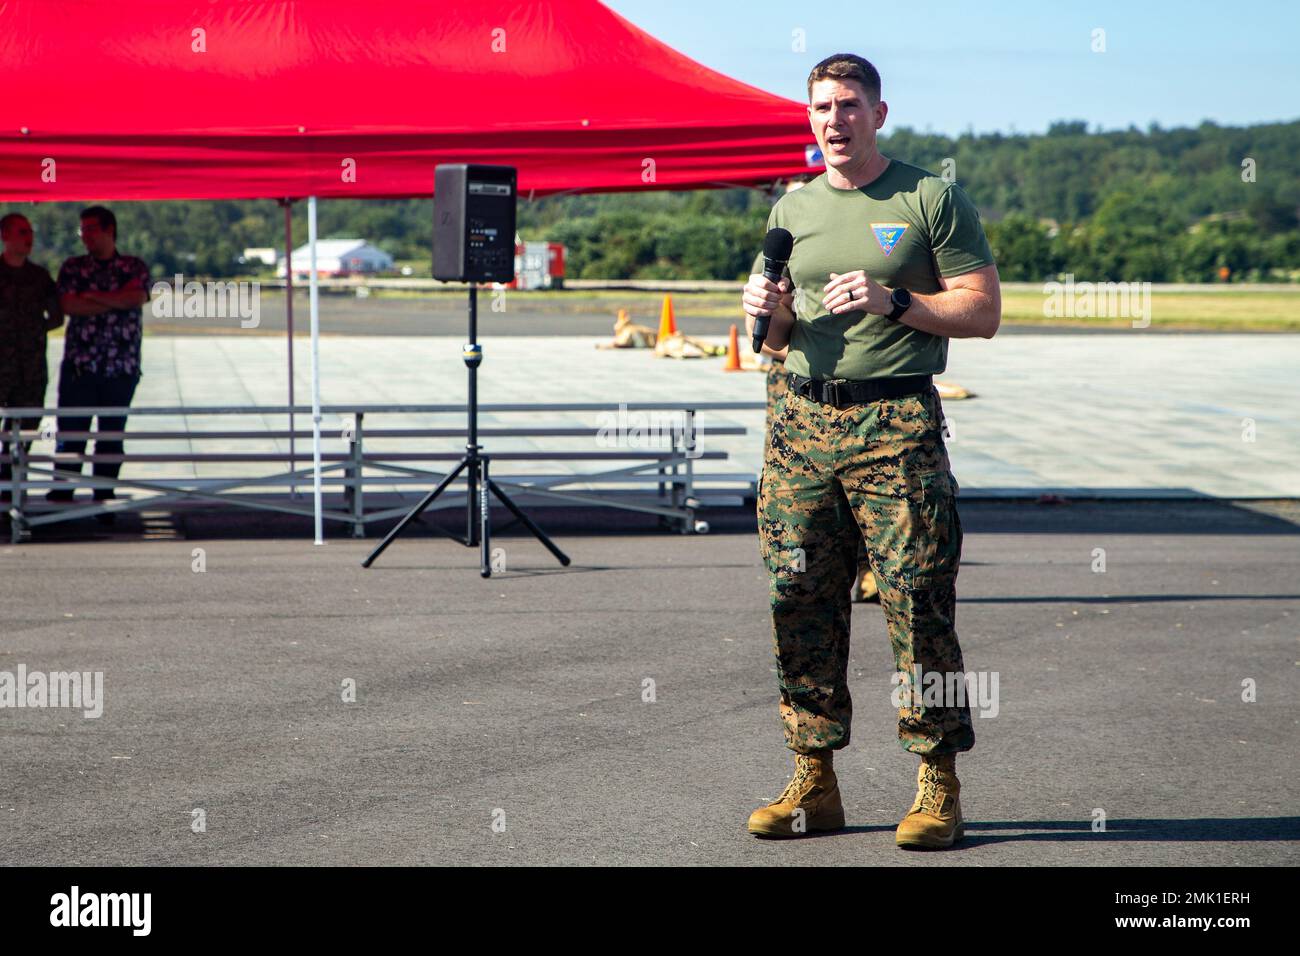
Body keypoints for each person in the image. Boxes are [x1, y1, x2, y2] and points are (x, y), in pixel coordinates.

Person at [740, 53, 1000, 848]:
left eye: (849, 105)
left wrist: (898, 301)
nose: (834, 120)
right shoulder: (793, 204)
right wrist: (767, 310)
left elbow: (983, 311)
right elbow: (774, 342)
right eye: (821, 107)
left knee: (918, 604)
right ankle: (813, 781)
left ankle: (937, 781)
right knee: (799, 603)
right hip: (800, 428)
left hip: (894, 429)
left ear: (878, 114)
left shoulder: (929, 197)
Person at [49, 206, 150, 515]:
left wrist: (93, 296)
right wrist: (113, 301)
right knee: (71, 435)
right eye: (83, 230)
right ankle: (63, 497)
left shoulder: (133, 266)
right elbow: (69, 305)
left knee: (110, 436)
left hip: (120, 368)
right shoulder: (73, 267)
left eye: (91, 229)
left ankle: (103, 499)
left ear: (110, 230)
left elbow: (134, 297)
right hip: (81, 367)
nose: (85, 236)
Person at [0, 213, 64, 505]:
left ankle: (14, 495)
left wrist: (30, 331)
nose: (29, 237)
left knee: (24, 436)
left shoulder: (39, 277)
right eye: (22, 232)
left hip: (30, 373)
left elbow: (56, 317)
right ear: (5, 236)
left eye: (30, 232)